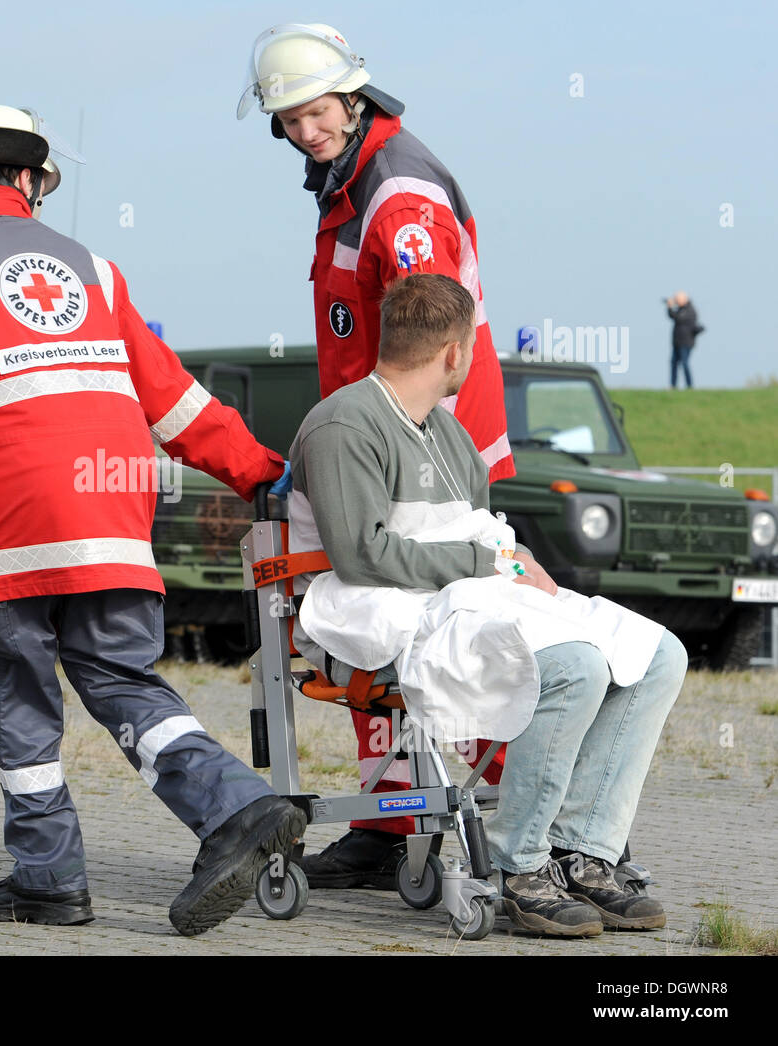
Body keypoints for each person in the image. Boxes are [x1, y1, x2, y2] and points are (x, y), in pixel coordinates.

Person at [0, 104, 303, 936]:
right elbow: (176, 402)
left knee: (22, 698)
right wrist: (263, 472)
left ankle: (49, 878)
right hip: (114, 517)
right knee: (126, 682)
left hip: (10, 526)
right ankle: (235, 809)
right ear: (23, 180)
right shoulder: (96, 271)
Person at [288, 273, 685, 936]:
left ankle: (582, 853)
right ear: (454, 353)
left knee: (657, 656)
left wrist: (515, 560)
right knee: (576, 666)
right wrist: (486, 563)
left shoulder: (447, 436)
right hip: (367, 620)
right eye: (471, 349)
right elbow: (361, 556)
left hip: (459, 599)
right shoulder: (343, 424)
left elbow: (476, 533)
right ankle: (520, 869)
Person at [237, 21, 515, 888]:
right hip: (383, 440)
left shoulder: (393, 193)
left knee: (433, 633)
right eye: (287, 120)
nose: (303, 131)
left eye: (315, 113)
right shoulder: (352, 183)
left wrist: (390, 448)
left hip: (419, 446)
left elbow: (429, 332)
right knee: (382, 632)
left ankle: (473, 813)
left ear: (353, 97)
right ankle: (395, 816)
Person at [666, 290, 703, 388]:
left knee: (685, 363)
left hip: (686, 342)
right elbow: (673, 317)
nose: (676, 302)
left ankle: (689, 385)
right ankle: (673, 385)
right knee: (674, 363)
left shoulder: (690, 310)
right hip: (677, 342)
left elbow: (678, 318)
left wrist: (670, 307)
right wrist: (669, 308)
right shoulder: (680, 309)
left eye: (677, 299)